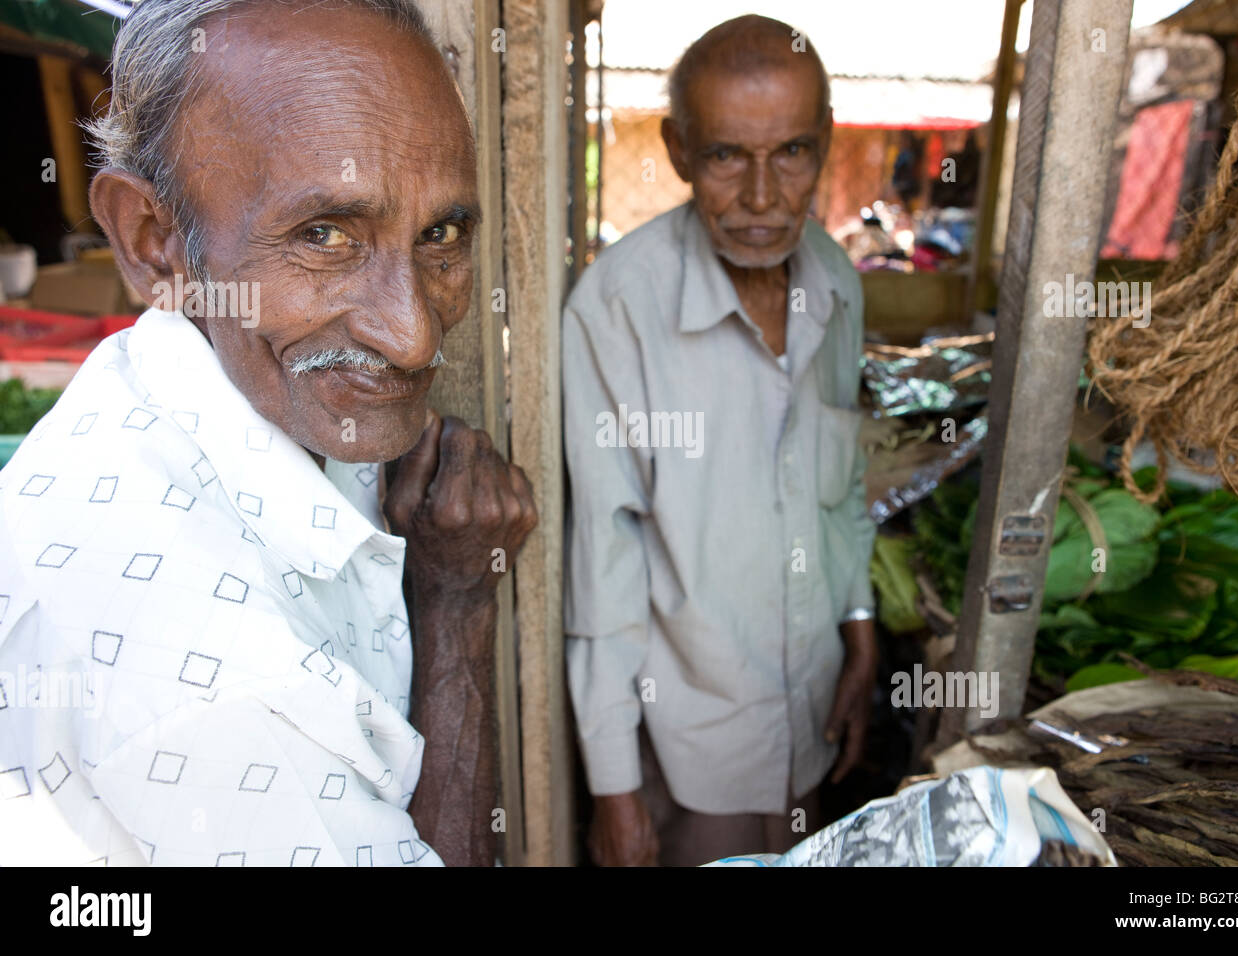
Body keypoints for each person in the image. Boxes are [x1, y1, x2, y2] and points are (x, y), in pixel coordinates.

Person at [0, 0, 536, 867]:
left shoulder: (208, 383)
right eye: (325, 236)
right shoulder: (214, 688)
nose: (416, 338)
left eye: (442, 234)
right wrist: (460, 603)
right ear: (153, 242)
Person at [563, 15, 878, 867]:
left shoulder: (838, 286)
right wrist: (615, 789)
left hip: (809, 722)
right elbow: (606, 552)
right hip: (690, 750)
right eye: (726, 156)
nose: (764, 197)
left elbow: (840, 492)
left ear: (824, 145)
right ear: (677, 150)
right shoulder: (617, 307)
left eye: (793, 153)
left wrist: (858, 630)